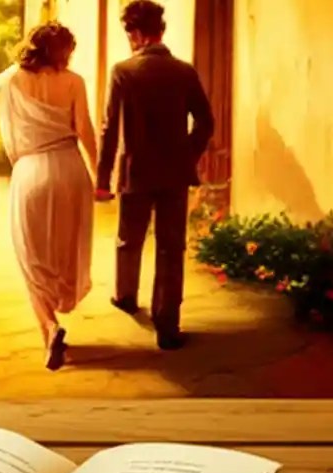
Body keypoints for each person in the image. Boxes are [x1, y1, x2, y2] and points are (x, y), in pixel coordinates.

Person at [96, 0, 214, 350]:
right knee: (170, 247)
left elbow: (109, 128)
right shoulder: (184, 71)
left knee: (128, 239)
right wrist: (186, 154)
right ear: (161, 30)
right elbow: (206, 122)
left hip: (135, 173)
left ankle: (126, 295)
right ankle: (167, 326)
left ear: (134, 33)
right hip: (174, 174)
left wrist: (102, 179)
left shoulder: (122, 72)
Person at [0, 22, 97, 371]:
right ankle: (55, 316)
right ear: (62, 49)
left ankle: (50, 328)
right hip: (70, 169)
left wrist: (22, 166)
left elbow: (9, 137)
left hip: (32, 169)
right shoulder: (74, 82)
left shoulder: (12, 83)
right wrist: (98, 175)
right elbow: (84, 129)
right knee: (64, 249)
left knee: (31, 256)